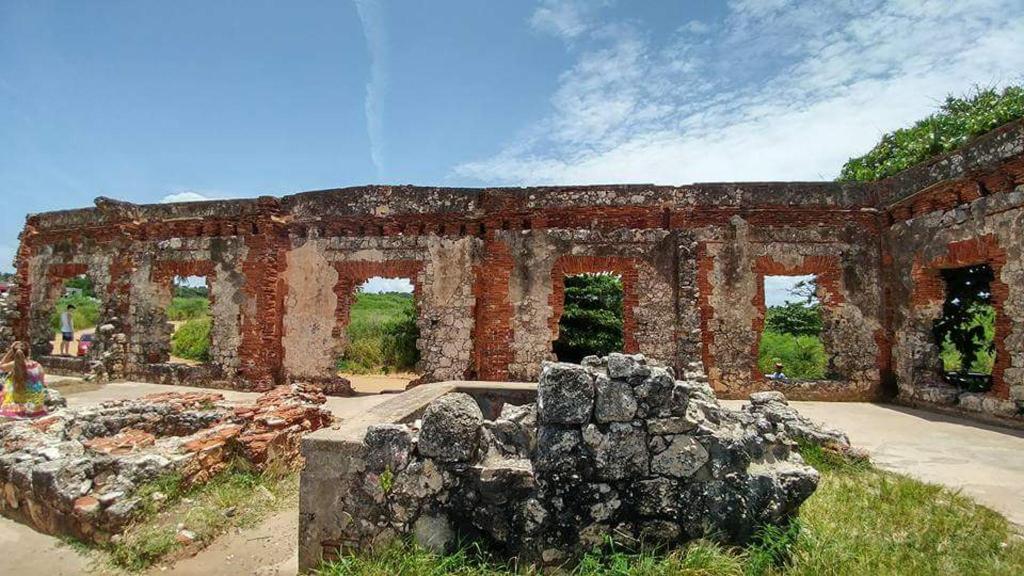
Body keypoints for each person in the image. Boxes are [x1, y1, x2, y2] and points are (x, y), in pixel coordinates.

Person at [0, 341, 48, 419]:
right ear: (29, 352)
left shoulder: (14, 364)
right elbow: (42, 384)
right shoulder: (37, 365)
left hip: (16, 408)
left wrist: (10, 352)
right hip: (36, 408)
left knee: (7, 384)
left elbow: (1, 367)